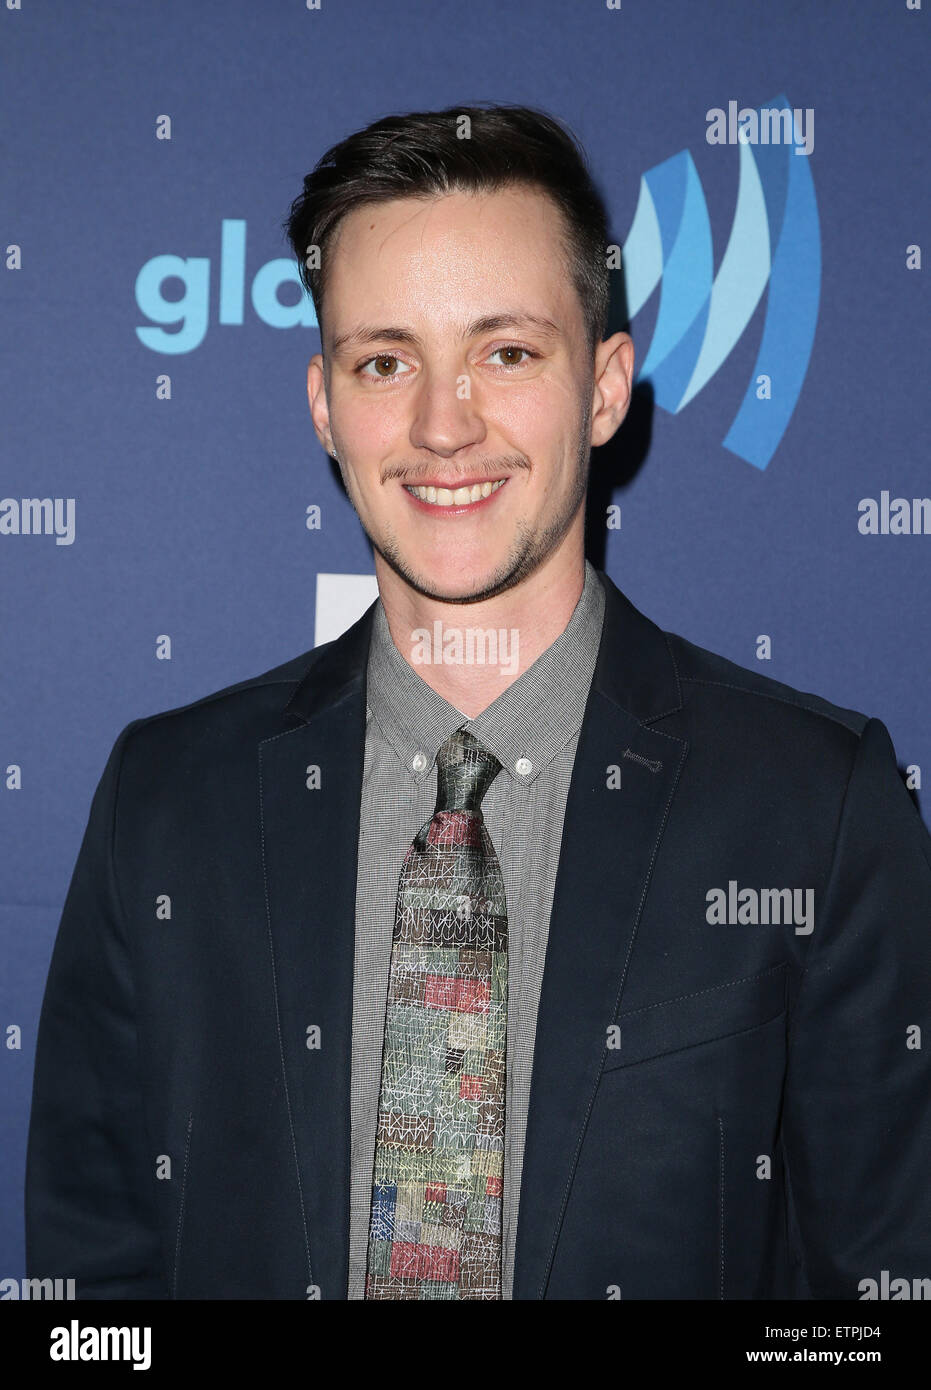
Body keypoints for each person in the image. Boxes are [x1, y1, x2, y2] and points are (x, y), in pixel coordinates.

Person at [25, 104, 931, 1300]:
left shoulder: (814, 805)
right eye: (384, 361)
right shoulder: (165, 799)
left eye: (506, 352)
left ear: (604, 390)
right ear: (323, 406)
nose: (442, 426)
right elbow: (94, 1290)